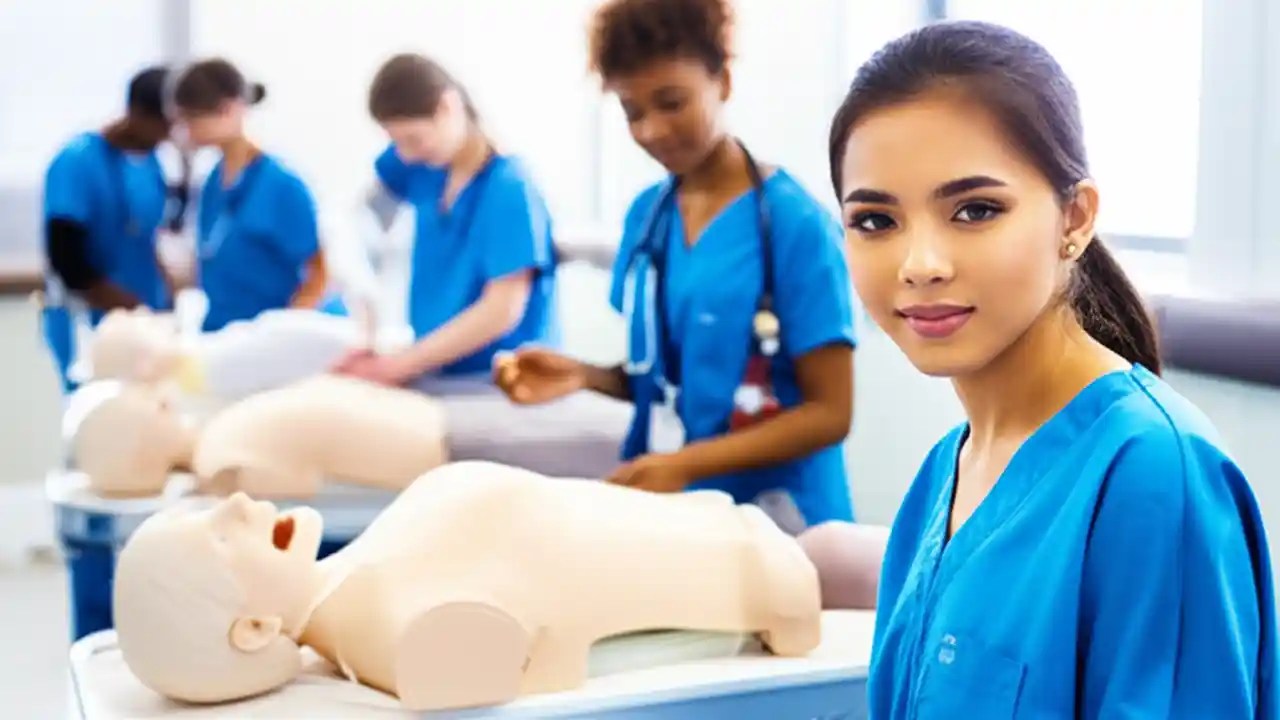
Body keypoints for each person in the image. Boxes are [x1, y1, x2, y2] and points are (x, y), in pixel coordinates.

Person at [829, 21, 1277, 718]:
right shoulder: (939, 480)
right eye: (876, 221)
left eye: (974, 210)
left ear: (1074, 216)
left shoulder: (1155, 473)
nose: (920, 264)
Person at [494, 0, 859, 535]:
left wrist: (686, 463)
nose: (651, 130)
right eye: (631, 111)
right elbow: (669, 378)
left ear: (723, 81)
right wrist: (583, 375)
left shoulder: (794, 224)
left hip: (784, 523)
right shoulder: (648, 217)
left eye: (671, 102)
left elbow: (831, 413)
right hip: (676, 512)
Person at [332, 53, 560, 386]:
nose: (406, 154)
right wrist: (368, 329)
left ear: (448, 107)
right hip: (436, 372)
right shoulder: (425, 170)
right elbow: (353, 224)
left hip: (503, 381)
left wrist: (399, 366)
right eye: (395, 142)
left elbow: (502, 310)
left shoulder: (509, 187)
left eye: (413, 139)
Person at [41, 65, 183, 392]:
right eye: (164, 126)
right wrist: (135, 312)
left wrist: (168, 307)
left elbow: (148, 238)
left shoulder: (150, 163)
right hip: (90, 324)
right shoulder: (77, 161)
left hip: (145, 326)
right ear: (137, 113)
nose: (168, 137)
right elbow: (67, 260)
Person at [170, 58, 331, 333]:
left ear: (229, 110)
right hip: (220, 333)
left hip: (266, 340)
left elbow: (317, 275)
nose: (187, 131)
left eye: (193, 119)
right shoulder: (212, 183)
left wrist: (284, 333)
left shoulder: (282, 186)